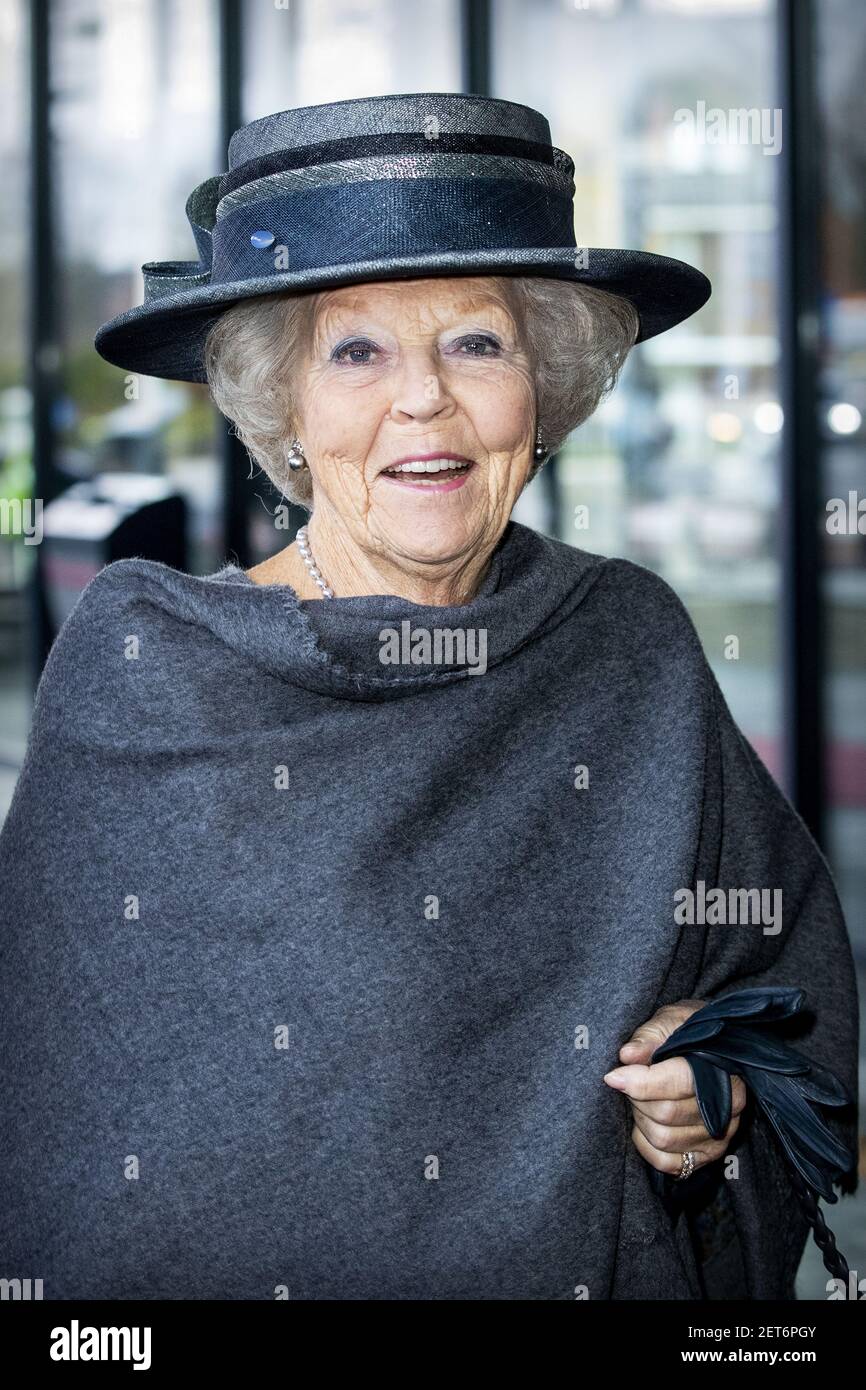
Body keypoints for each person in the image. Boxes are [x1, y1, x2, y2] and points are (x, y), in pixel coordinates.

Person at [0, 93, 857, 1300]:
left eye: (476, 343)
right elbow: (63, 1111)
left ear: (543, 389)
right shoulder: (148, 666)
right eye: (355, 350)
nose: (424, 401)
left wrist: (708, 1094)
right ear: (281, 407)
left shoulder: (627, 639)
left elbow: (776, 994)